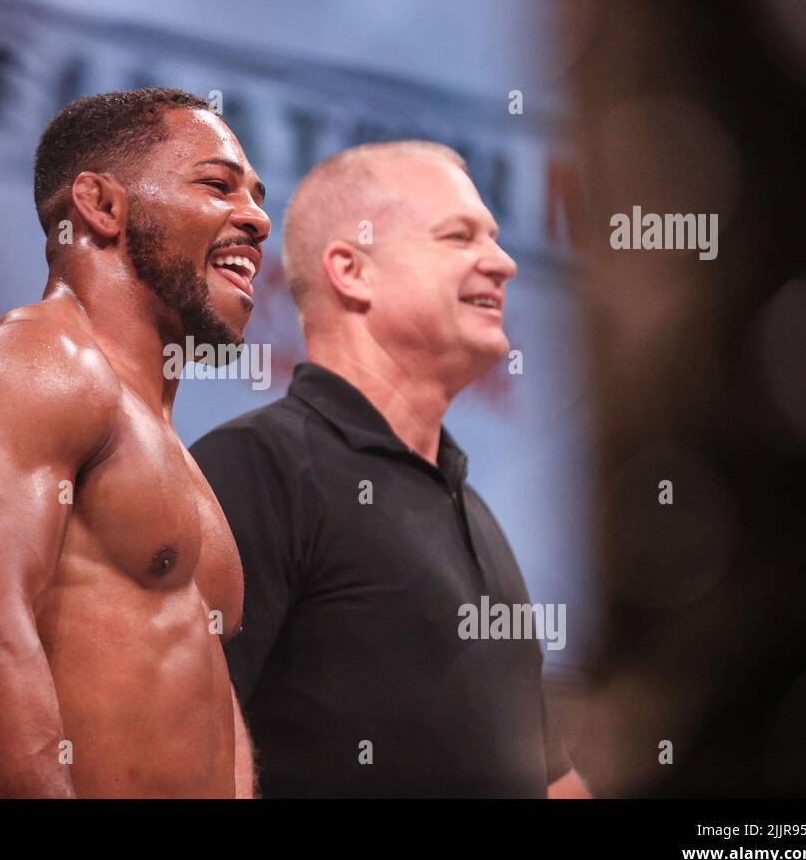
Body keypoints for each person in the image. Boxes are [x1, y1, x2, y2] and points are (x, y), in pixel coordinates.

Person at [0, 88, 269, 797]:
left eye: (253, 194)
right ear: (101, 206)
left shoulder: (168, 451)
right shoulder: (29, 367)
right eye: (218, 185)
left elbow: (205, 700)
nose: (256, 217)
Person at [191, 141, 591, 797]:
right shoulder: (255, 469)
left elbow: (551, 779)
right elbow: (181, 744)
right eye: (459, 236)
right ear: (353, 271)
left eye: (493, 237)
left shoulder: (475, 513)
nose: (504, 262)